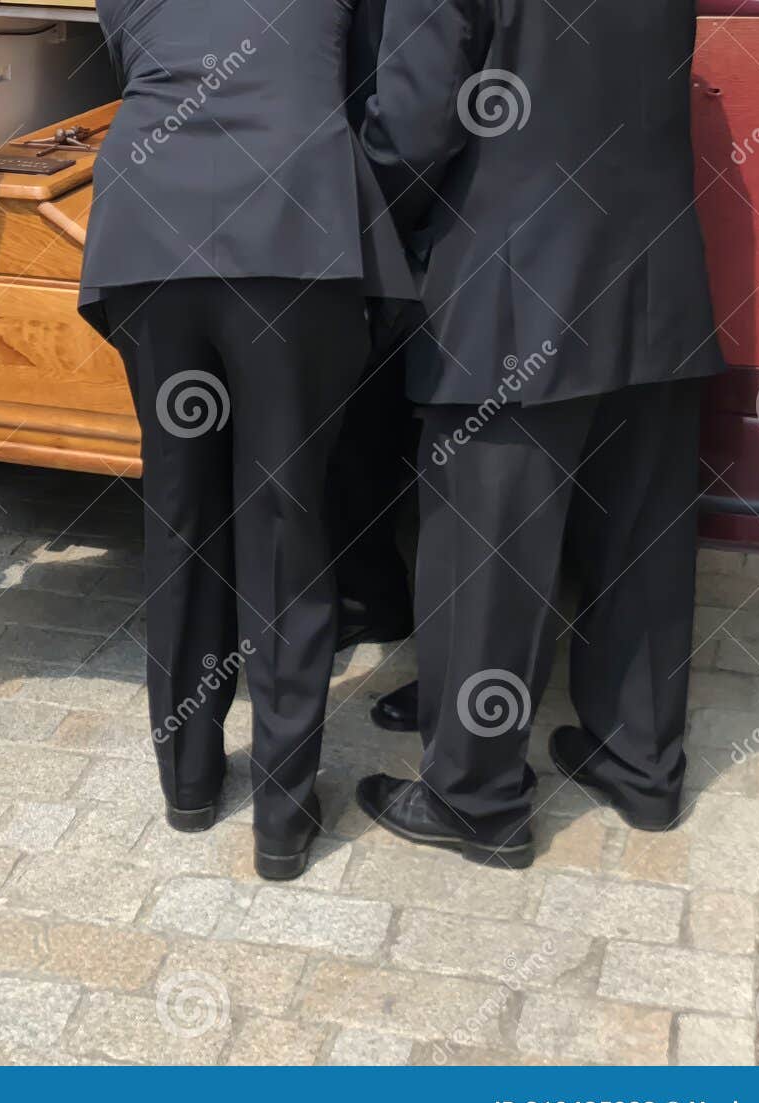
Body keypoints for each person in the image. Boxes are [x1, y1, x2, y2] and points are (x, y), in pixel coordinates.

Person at [355, 0, 725, 867]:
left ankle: (476, 798)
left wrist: (376, 218)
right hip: (654, 279)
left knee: (486, 561)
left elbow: (411, 125)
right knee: (639, 543)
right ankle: (638, 761)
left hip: (513, 286)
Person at [80, 0, 415, 881]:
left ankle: (187, 783)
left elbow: (130, 51)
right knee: (284, 517)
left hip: (151, 227)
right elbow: (372, 81)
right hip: (294, 221)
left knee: (181, 509)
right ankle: (284, 814)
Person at [328, 0, 421, 655]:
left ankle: (369, 593)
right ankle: (373, 590)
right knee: (367, 419)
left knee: (359, 421)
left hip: (368, 191)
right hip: (378, 192)